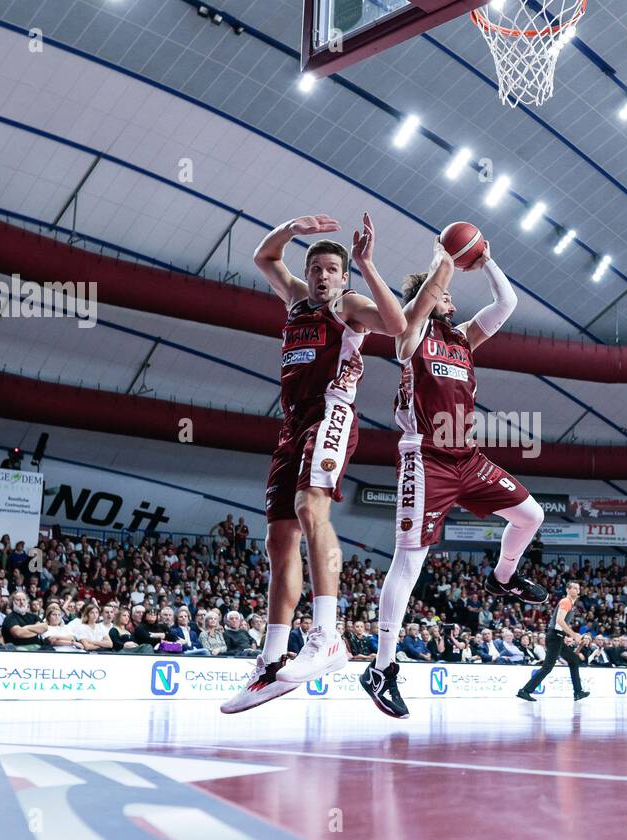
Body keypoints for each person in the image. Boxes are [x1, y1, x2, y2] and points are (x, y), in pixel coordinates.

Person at [222, 212, 407, 714]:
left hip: (331, 414)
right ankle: (271, 662)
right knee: (278, 540)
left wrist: (367, 264)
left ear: (342, 277)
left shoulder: (348, 306)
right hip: (290, 428)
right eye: (316, 268)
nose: (323, 275)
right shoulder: (297, 300)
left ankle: (327, 635)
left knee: (310, 507)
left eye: (331, 268)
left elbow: (397, 325)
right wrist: (292, 227)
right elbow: (264, 256)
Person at [361, 236, 547, 719]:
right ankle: (382, 667)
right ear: (428, 298)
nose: (451, 298)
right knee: (409, 562)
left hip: (467, 458)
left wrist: (486, 260)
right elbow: (421, 306)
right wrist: (440, 263)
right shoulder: (412, 331)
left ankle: (503, 578)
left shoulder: (463, 337)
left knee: (531, 515)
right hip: (426, 458)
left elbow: (507, 303)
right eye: (444, 294)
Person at [518, 581, 589, 701]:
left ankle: (578, 692)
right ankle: (524, 691)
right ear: (568, 590)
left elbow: (559, 625)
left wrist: (566, 636)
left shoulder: (569, 604)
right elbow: (559, 621)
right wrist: (574, 634)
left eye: (578, 588)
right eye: (574, 588)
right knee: (547, 667)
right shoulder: (566, 601)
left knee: (573, 660)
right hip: (555, 637)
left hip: (557, 637)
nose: (577, 590)